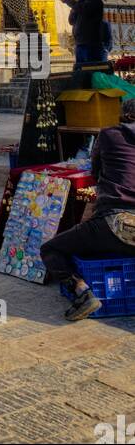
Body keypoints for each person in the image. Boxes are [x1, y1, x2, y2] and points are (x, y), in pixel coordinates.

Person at [40, 98, 135, 320]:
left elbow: (94, 171)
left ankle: (82, 293)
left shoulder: (109, 134)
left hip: (112, 220)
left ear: (126, 115)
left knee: (50, 249)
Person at [58, 0, 106, 67]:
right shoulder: (80, 0)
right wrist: (73, 7)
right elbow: (71, 21)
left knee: (91, 73)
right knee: (81, 73)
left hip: (91, 45)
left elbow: (84, 10)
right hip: (80, 44)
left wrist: (68, 1)